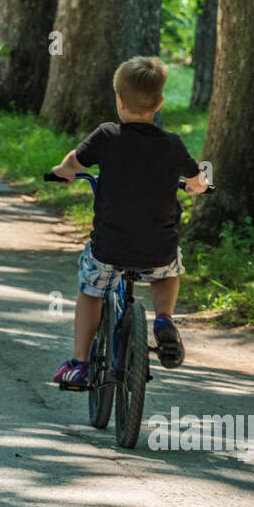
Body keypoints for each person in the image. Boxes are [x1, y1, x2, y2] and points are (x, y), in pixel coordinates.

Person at [48, 57, 208, 384]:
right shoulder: (172, 145)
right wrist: (196, 187)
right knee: (169, 270)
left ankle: (79, 363)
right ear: (160, 103)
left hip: (110, 247)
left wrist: (61, 174)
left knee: (90, 291)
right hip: (157, 248)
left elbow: (72, 163)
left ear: (119, 100)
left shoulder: (107, 135)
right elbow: (197, 181)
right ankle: (163, 319)